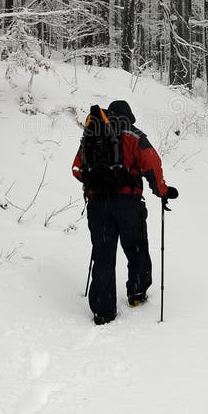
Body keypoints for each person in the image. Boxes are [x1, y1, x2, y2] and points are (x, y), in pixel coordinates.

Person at [72, 100, 178, 325]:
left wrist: (98, 184)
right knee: (136, 246)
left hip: (98, 205)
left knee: (103, 254)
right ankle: (137, 293)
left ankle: (103, 311)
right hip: (128, 203)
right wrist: (162, 191)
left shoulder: (94, 133)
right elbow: (152, 165)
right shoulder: (135, 135)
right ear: (129, 115)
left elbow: (77, 169)